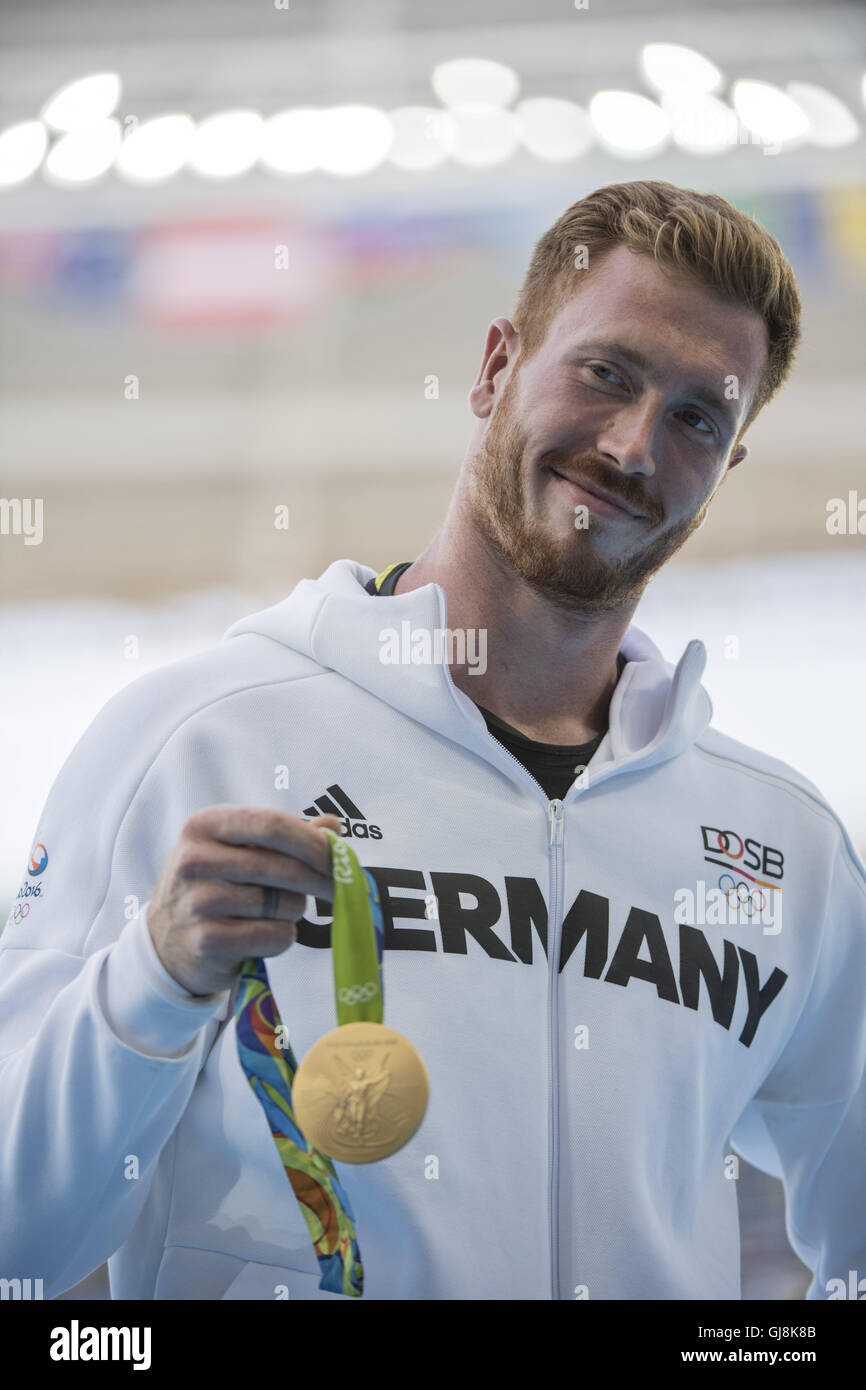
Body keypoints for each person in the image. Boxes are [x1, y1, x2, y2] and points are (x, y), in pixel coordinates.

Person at [2, 180, 864, 1302]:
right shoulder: (196, 738)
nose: (632, 446)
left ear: (724, 469)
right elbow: (17, 1238)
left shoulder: (783, 849)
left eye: (697, 417)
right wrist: (153, 979)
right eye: (606, 373)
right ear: (497, 366)